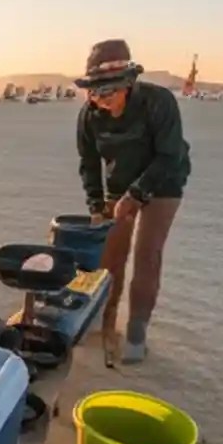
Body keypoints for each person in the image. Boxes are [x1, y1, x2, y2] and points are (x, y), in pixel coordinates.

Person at [75, 39, 191, 364]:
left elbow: (170, 155)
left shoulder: (159, 102)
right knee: (110, 255)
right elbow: (88, 162)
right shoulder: (90, 116)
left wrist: (137, 195)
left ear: (128, 85)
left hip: (164, 180)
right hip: (121, 179)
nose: (101, 101)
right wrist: (96, 206)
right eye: (94, 93)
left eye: (108, 93)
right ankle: (104, 320)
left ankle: (137, 330)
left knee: (146, 253)